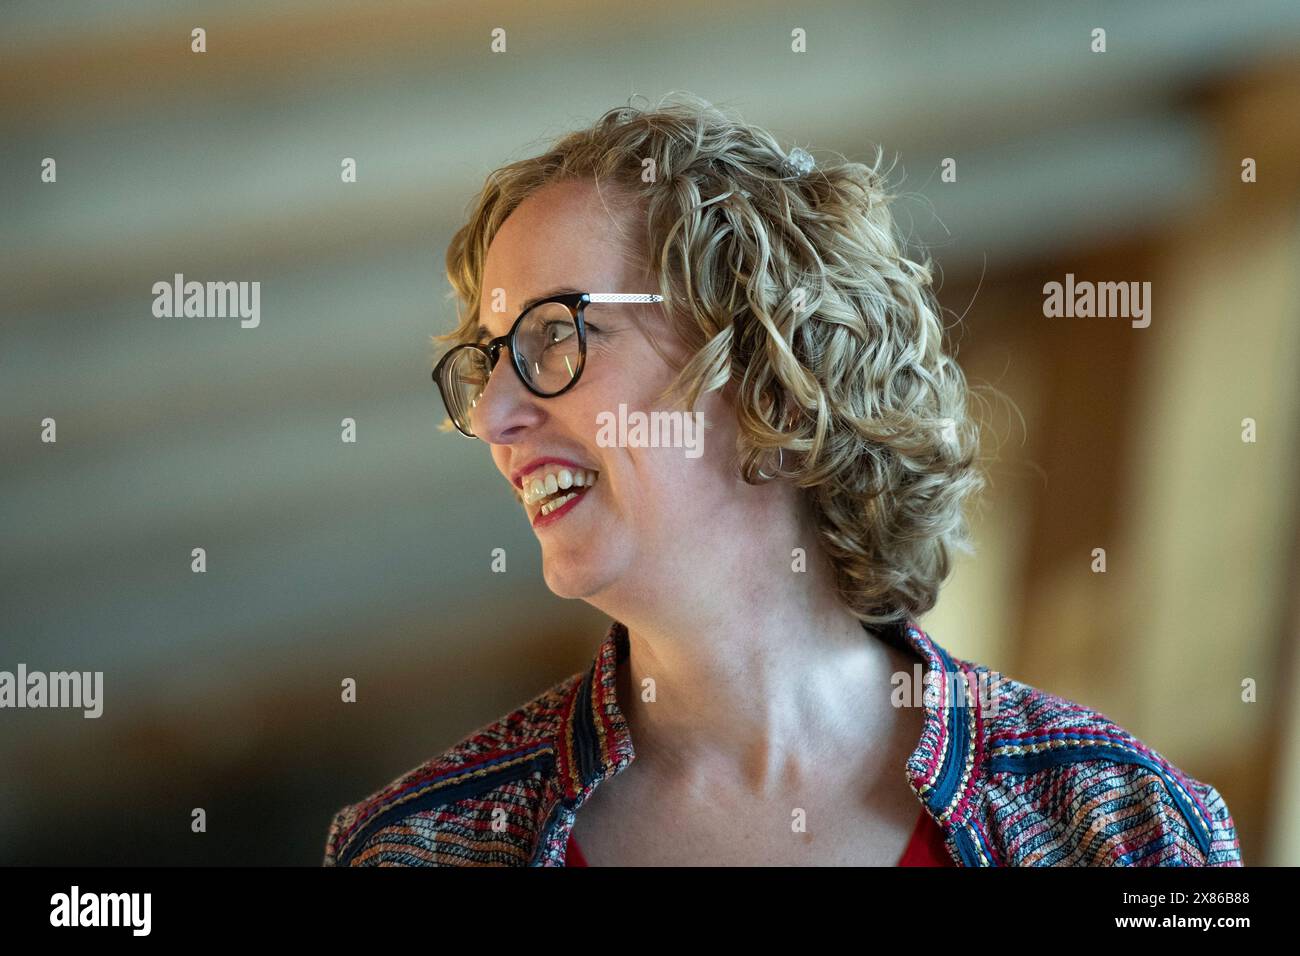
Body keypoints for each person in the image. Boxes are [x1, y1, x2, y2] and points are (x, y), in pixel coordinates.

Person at [323, 93, 1242, 866]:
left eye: (555, 336)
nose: (494, 417)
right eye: (488, 363)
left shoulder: (1126, 828)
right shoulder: (415, 848)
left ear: (765, 362)